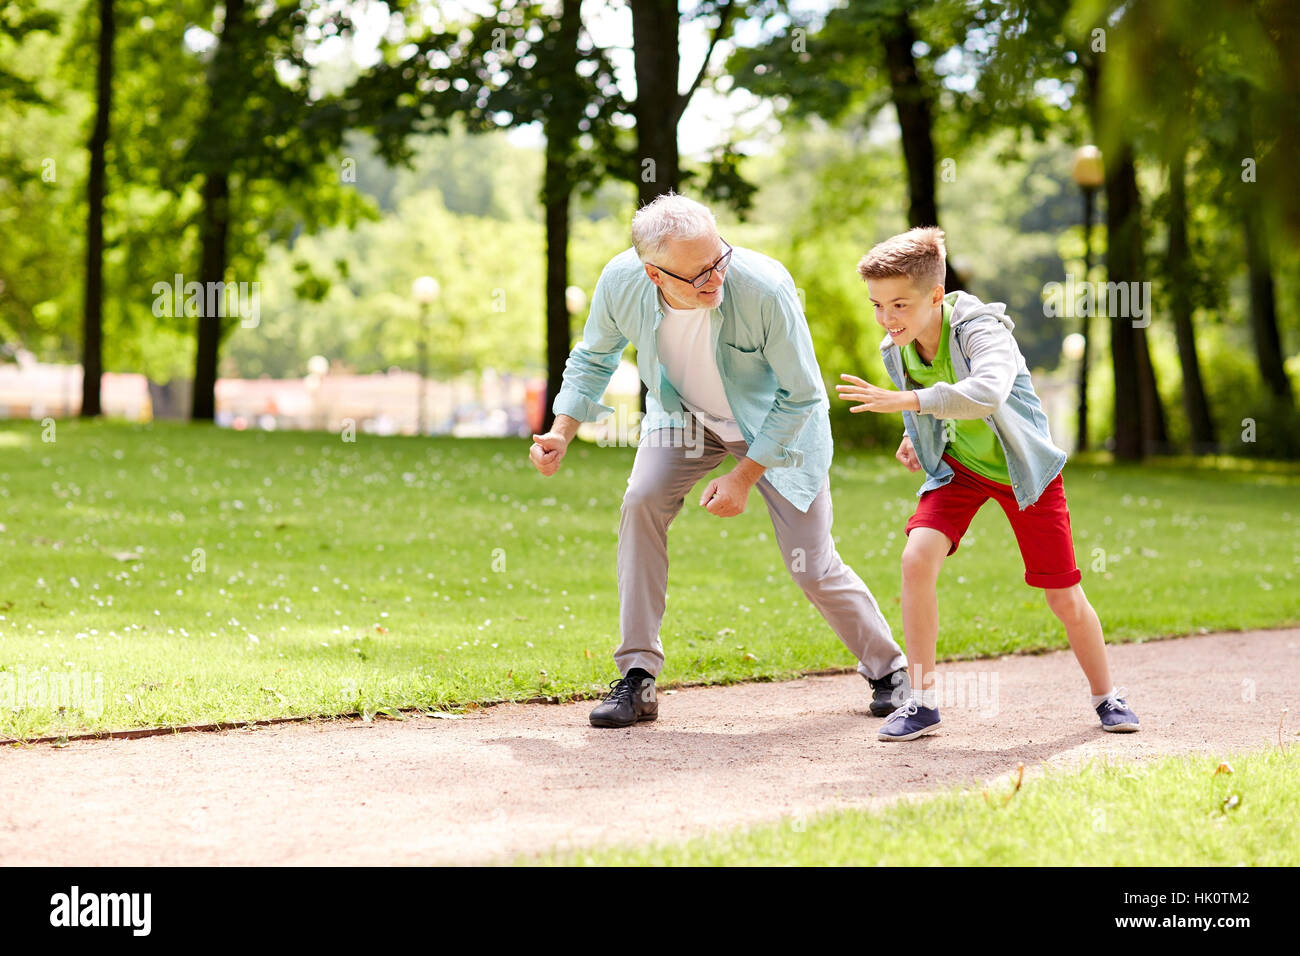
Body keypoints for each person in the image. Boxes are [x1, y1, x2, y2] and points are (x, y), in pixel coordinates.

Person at [529, 193, 909, 728]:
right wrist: (562, 431)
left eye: (718, 259)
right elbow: (594, 358)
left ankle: (890, 669)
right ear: (654, 274)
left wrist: (744, 476)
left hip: (777, 429)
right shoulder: (621, 283)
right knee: (640, 502)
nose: (715, 279)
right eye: (697, 274)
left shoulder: (764, 287)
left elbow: (801, 395)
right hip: (686, 419)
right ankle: (637, 677)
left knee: (811, 564)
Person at [835, 226, 1140, 742]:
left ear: (936, 295)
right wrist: (918, 437)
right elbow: (937, 408)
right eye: (877, 305)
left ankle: (1107, 695)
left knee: (1063, 598)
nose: (887, 320)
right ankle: (923, 702)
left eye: (900, 305)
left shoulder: (981, 330)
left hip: (1025, 473)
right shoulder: (898, 346)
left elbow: (986, 393)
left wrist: (911, 405)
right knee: (916, 559)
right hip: (960, 470)